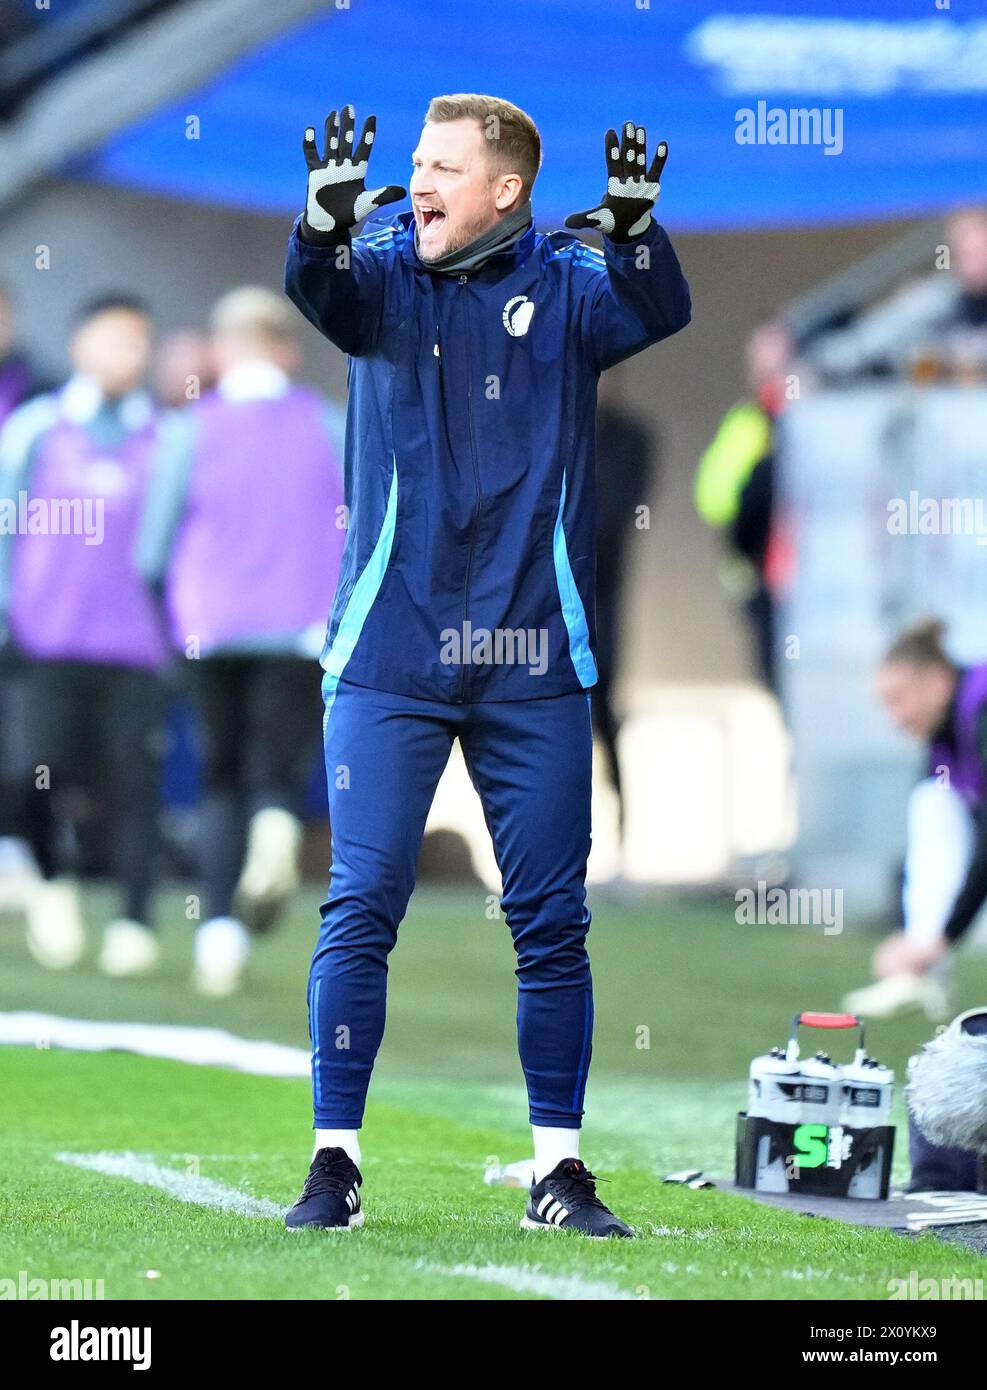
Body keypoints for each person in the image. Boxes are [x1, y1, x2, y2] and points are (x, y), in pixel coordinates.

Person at [282, 96, 690, 1236]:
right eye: (415, 161)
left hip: (531, 658)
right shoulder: (377, 271)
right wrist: (315, 230)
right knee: (363, 902)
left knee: (550, 920)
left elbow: (662, 307)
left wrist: (637, 233)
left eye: (442, 166)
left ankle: (558, 1171)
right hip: (390, 655)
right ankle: (334, 1163)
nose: (416, 181)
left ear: (503, 188)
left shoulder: (568, 283)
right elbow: (321, 291)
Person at [138, 287, 346, 997]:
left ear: (222, 351)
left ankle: (218, 936)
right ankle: (279, 822)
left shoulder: (189, 429)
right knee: (275, 770)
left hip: (211, 628)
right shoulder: (329, 426)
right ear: (287, 351)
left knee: (218, 777)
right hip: (301, 630)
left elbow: (152, 549)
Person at [0, 293, 169, 975]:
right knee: (28, 772)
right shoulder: (39, 428)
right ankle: (52, 883)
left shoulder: (164, 434)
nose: (124, 356)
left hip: (137, 648)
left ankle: (133, 921)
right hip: (45, 641)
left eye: (136, 343)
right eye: (111, 341)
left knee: (136, 786)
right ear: (79, 346)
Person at [844, 619, 987, 1021]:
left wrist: (945, 937)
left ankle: (925, 953)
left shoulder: (983, 712)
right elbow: (934, 843)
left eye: (899, 699)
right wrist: (918, 936)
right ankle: (919, 972)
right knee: (929, 801)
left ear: (939, 681)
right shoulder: (944, 741)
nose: (895, 718)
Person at [694, 322, 794, 694]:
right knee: (774, 679)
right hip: (760, 581)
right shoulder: (746, 423)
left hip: (808, 584)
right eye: (761, 367)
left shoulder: (816, 420)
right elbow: (713, 498)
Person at [593, 370, 656, 844]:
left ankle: (623, 825)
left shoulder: (631, 439)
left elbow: (617, 514)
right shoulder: (558, 429)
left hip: (603, 595)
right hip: (552, 598)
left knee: (603, 704)